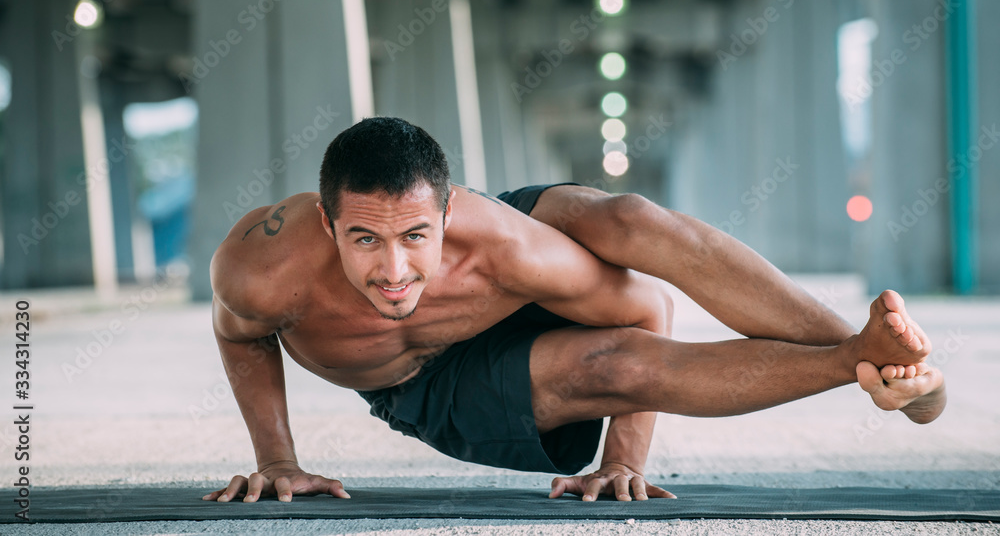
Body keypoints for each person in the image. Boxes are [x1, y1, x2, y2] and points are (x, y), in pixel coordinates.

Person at [203, 117, 945, 504]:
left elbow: (648, 306)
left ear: (451, 214)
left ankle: (877, 357)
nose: (393, 270)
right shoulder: (262, 268)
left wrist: (624, 458)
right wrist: (276, 458)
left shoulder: (501, 247)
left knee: (630, 219)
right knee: (607, 365)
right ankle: (867, 362)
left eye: (415, 236)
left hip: (493, 282)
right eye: (364, 238)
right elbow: (241, 336)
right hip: (426, 378)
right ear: (329, 225)